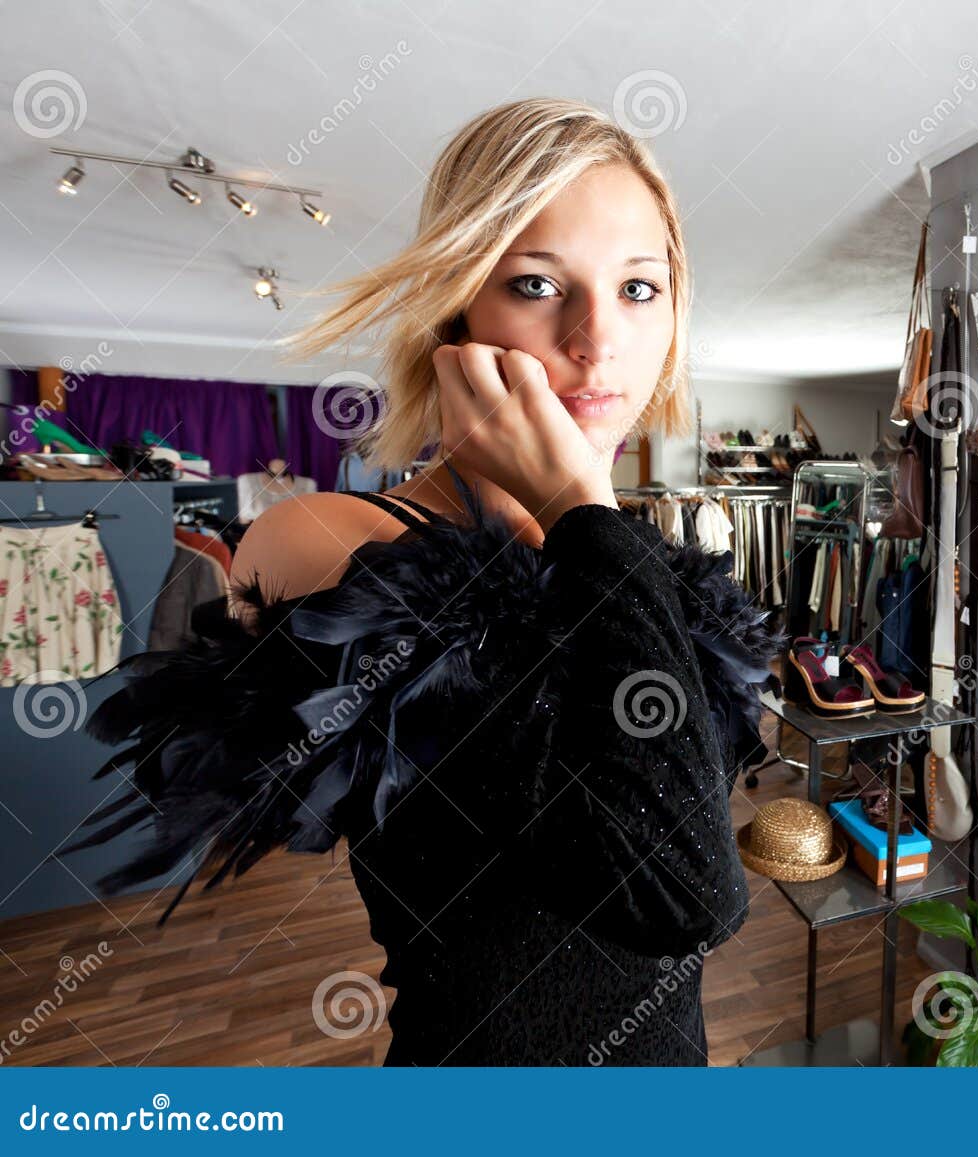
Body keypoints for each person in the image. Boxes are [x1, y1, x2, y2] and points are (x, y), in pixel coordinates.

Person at [65, 97, 785, 1066]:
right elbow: (684, 889)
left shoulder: (631, 558)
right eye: (537, 283)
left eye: (638, 288)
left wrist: (589, 524)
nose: (596, 338)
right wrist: (580, 505)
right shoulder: (333, 538)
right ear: (459, 307)